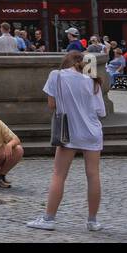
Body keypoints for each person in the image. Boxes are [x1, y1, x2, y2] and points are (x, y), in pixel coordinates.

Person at [27, 51, 107, 232]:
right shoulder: (92, 80)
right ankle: (92, 221)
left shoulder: (56, 76)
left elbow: (51, 104)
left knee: (59, 174)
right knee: (93, 175)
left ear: (66, 62)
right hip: (92, 131)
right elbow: (101, 112)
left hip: (69, 132)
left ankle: (48, 219)